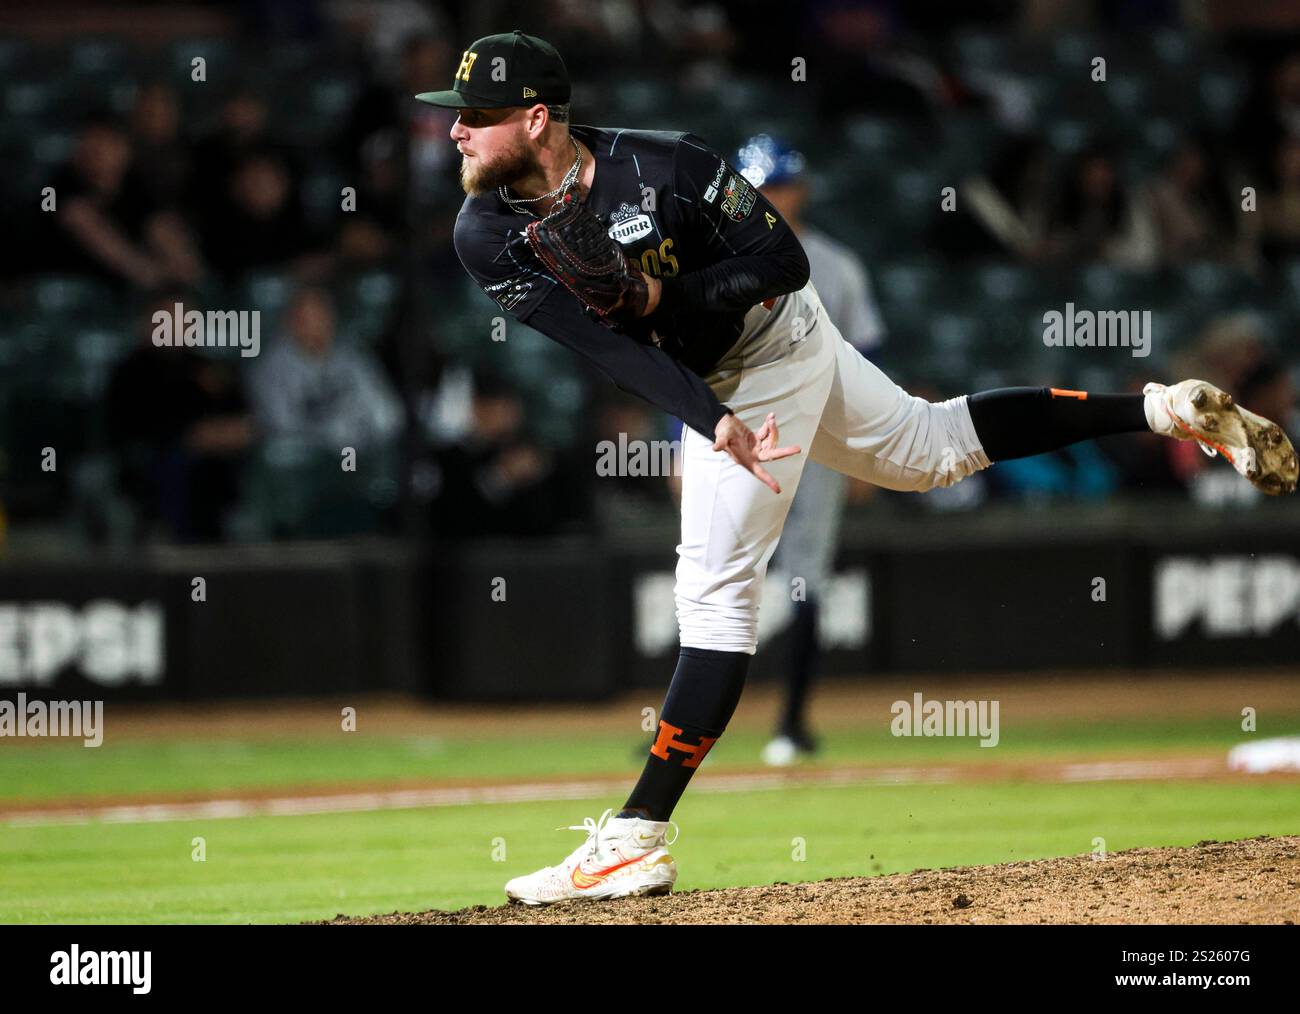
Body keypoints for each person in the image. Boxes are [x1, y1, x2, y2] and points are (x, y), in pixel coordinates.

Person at [424, 30, 1298, 907]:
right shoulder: (483, 230)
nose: (456, 132)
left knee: (715, 596)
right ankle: (1160, 410)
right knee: (928, 449)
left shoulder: (668, 168)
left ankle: (637, 838)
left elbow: (783, 261)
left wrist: (671, 309)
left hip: (771, 343)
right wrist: (708, 415)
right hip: (721, 383)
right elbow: (602, 345)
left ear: (536, 119)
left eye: (475, 116)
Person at [728, 134, 886, 766]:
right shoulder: (708, 257)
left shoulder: (837, 266)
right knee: (714, 576)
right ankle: (675, 729)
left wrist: (868, 451)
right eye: (761, 185)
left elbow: (867, 363)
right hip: (735, 435)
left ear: (800, 189)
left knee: (804, 580)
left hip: (817, 442)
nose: (772, 197)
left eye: (781, 185)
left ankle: (792, 723)